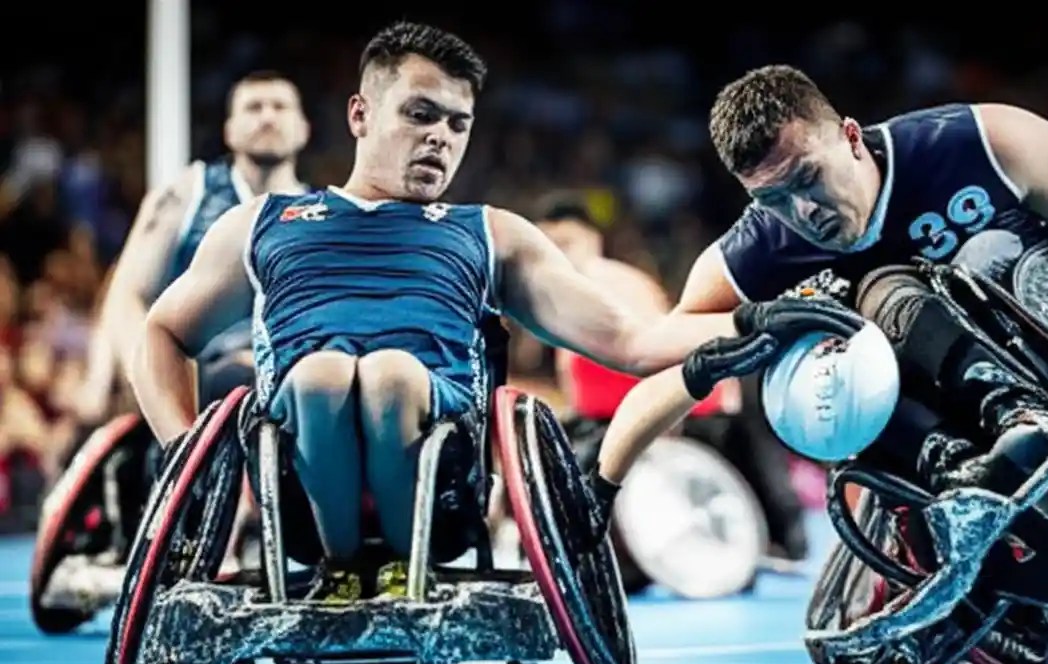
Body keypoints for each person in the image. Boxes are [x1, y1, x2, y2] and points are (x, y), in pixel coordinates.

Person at [129, 24, 843, 602]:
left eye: (457, 122)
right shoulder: (263, 222)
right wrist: (183, 454)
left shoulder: (488, 231)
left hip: (441, 465)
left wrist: (765, 319)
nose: (440, 135)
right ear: (359, 114)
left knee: (388, 377)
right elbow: (161, 332)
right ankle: (341, 563)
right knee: (318, 376)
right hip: (294, 481)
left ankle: (401, 565)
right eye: (419, 113)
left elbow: (630, 337)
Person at [592, 63, 1048, 555]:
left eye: (805, 181)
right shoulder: (765, 241)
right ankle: (965, 481)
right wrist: (605, 484)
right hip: (966, 413)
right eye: (772, 201)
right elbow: (667, 344)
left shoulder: (977, 139)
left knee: (976, 255)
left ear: (851, 137)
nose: (802, 214)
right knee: (809, 349)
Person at [533, 193, 811, 565]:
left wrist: (668, 415)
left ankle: (782, 540)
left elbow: (668, 350)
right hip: (609, 420)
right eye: (550, 246)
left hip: (686, 414)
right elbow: (575, 384)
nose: (560, 254)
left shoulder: (616, 282)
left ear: (592, 241)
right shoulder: (557, 297)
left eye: (566, 243)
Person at [81, 69, 311, 422]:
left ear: (302, 129)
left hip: (291, 376)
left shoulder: (320, 213)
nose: (267, 116)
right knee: (234, 378)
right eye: (254, 107)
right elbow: (126, 295)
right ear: (229, 130)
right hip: (201, 375)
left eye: (280, 107)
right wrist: (147, 378)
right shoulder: (186, 194)